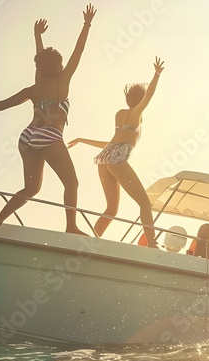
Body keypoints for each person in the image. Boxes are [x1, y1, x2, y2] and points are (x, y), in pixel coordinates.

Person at [0, 5, 96, 243]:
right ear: (59, 67)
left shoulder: (35, 86)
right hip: (49, 136)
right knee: (72, 183)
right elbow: (78, 52)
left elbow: (4, 104)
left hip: (27, 137)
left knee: (30, 189)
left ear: (39, 68)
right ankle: (71, 226)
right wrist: (87, 24)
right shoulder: (63, 81)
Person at [68, 57, 165, 248]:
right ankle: (152, 244)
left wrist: (82, 140)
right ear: (139, 101)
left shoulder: (120, 114)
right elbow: (150, 95)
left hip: (106, 158)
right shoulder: (136, 114)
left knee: (111, 210)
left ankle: (90, 243)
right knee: (145, 204)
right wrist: (157, 75)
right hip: (117, 158)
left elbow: (111, 142)